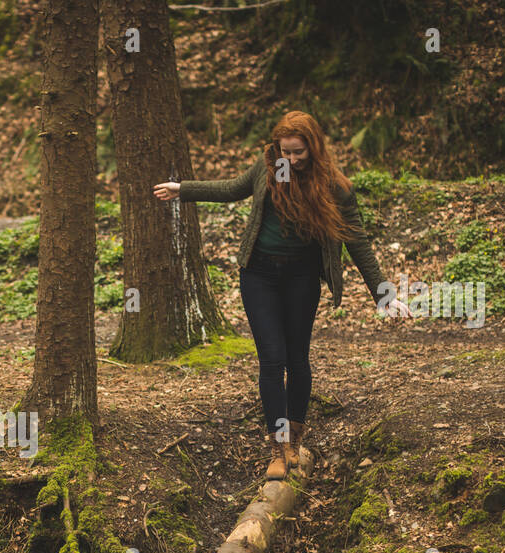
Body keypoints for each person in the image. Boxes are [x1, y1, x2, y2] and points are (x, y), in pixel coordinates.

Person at [154, 110, 410, 481]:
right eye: (284, 151)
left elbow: (358, 241)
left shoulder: (335, 186)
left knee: (297, 359)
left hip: (301, 279)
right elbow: (231, 189)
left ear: (314, 148)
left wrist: (383, 294)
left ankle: (295, 438)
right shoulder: (267, 168)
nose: (290, 159)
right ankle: (278, 446)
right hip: (258, 276)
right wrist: (183, 190)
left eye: (298, 153)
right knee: (271, 361)